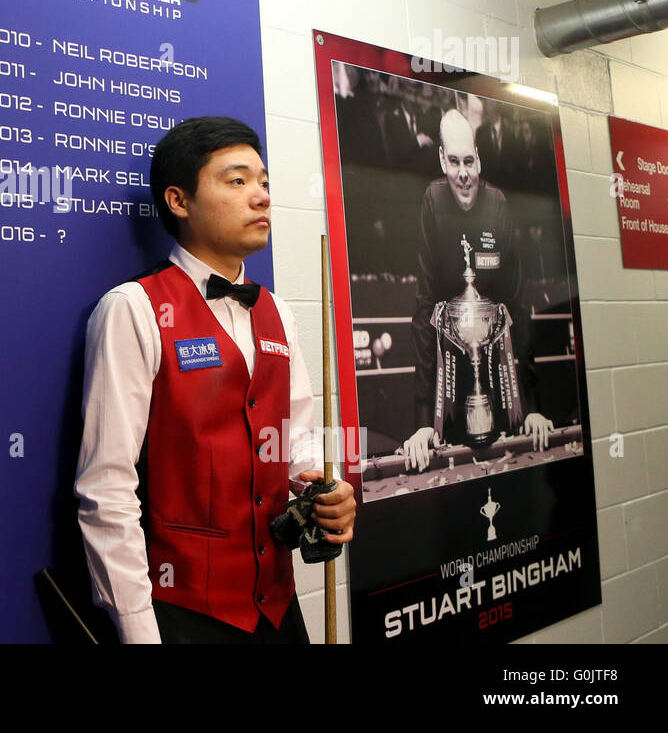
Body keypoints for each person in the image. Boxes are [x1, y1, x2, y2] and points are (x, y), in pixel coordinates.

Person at [74, 116, 355, 644]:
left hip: (278, 608)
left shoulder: (278, 313)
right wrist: (139, 633)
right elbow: (107, 488)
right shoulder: (133, 308)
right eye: (237, 181)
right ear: (179, 201)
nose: (261, 197)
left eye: (264, 182)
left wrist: (323, 490)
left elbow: (295, 450)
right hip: (183, 615)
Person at [401, 109, 553, 472]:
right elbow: (424, 308)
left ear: (479, 160)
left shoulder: (497, 204)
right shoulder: (432, 202)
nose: (463, 173)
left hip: (500, 371)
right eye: (453, 162)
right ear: (442, 159)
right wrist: (425, 418)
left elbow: (518, 303)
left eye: (469, 160)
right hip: (449, 372)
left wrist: (531, 408)